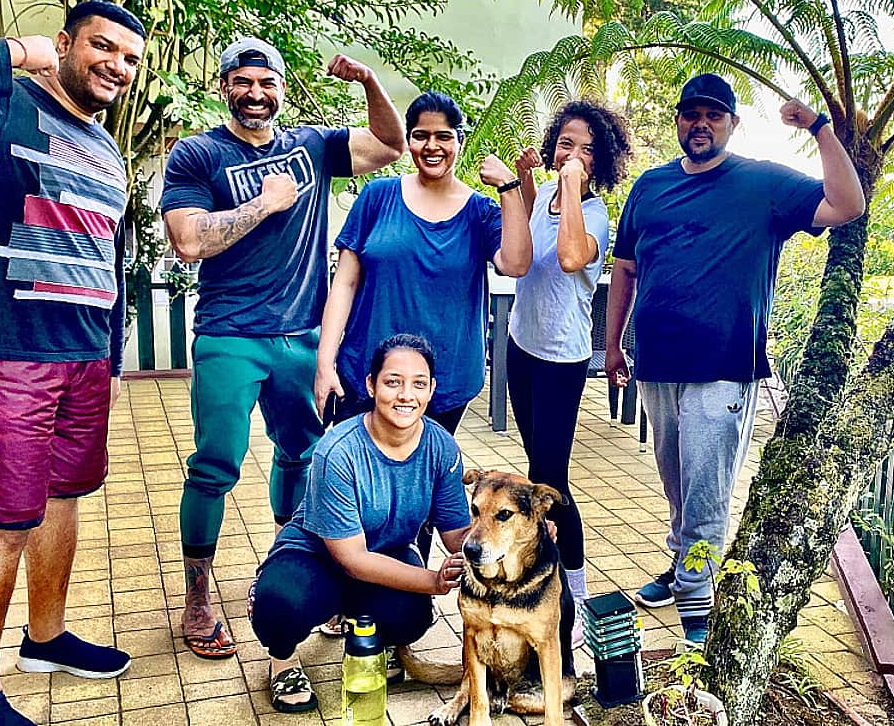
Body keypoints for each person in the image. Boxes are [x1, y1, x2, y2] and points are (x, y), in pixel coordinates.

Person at [161, 38, 406, 660]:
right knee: (216, 465)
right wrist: (261, 205)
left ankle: (291, 571)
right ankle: (197, 595)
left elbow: (389, 145)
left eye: (266, 83)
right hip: (229, 336)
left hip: (301, 338)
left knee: (301, 456)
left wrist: (370, 82)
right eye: (242, 82)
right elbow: (189, 242)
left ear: (282, 90)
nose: (255, 93)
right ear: (224, 88)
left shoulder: (313, 147)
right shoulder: (198, 154)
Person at [605, 73, 864, 645]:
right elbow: (624, 268)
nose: (700, 123)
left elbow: (847, 205)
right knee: (677, 481)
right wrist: (613, 344)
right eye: (690, 114)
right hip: (657, 363)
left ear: (731, 124)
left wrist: (819, 127)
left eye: (713, 115)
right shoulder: (649, 187)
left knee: (707, 489)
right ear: (677, 122)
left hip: (724, 366)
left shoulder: (764, 184)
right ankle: (682, 565)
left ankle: (697, 604)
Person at [0, 0, 146, 725]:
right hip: (11, 346)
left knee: (62, 498)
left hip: (83, 355)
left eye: (130, 57)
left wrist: (108, 359)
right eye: (101, 47)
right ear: (65, 44)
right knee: (2, 520)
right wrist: (18, 54)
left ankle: (44, 638)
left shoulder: (109, 150)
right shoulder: (4, 107)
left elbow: (104, 256)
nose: (116, 64)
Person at [479, 101, 633, 649]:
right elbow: (520, 248)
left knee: (552, 483)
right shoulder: (543, 195)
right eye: (566, 144)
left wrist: (569, 184)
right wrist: (522, 181)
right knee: (535, 469)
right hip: (521, 346)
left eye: (588, 149)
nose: (573, 155)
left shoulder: (594, 215)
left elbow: (569, 257)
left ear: (602, 162)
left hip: (562, 360)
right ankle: (533, 572)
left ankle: (577, 598)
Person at [250, 333, 469, 712]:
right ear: (371, 385)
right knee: (281, 603)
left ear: (432, 390)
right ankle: (282, 660)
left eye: (418, 384)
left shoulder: (441, 448)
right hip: (317, 556)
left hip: (383, 554)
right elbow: (352, 558)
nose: (405, 395)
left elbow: (456, 535)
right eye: (392, 382)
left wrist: (515, 534)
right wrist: (433, 581)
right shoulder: (338, 449)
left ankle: (355, 623)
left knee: (411, 616)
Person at [314, 90, 531, 435]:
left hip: (443, 382)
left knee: (422, 483)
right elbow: (344, 283)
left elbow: (516, 264)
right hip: (365, 375)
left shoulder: (480, 212)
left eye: (443, 136)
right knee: (360, 480)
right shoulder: (377, 196)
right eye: (420, 136)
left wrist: (508, 187)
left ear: (460, 140)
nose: (432, 146)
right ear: (409, 139)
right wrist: (324, 362)